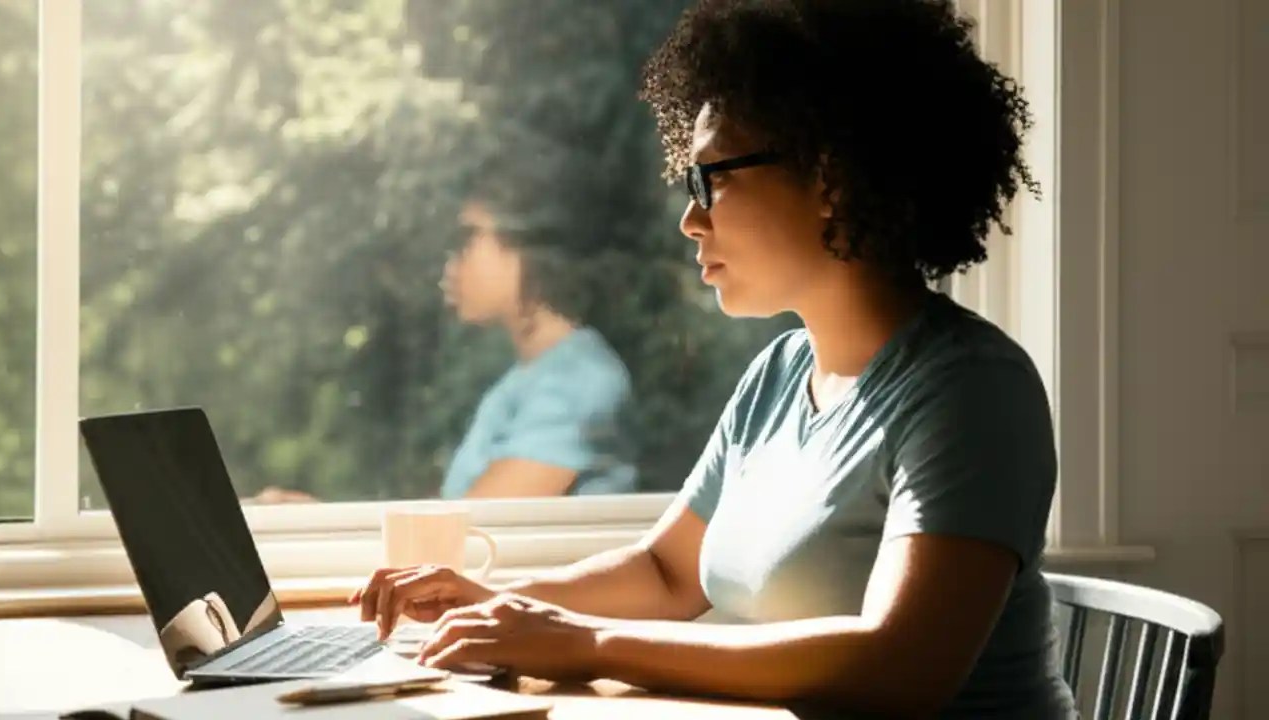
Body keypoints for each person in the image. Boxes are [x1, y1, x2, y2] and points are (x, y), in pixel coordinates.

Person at [350, 1, 1075, 717]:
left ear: (832, 180)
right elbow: (668, 573)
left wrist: (592, 644)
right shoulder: (781, 373)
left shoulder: (972, 392)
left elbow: (901, 668)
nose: (690, 219)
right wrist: (494, 604)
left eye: (713, 179)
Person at [436, 155, 638, 499]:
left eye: (465, 240)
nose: (450, 267)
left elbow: (469, 529)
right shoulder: (522, 381)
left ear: (525, 244)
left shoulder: (581, 380)